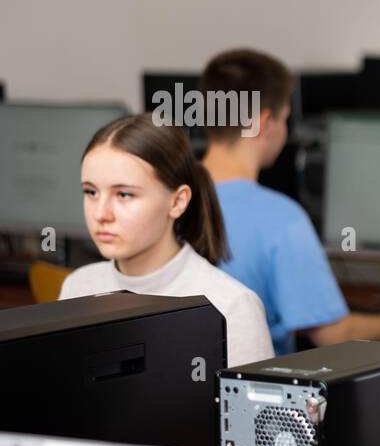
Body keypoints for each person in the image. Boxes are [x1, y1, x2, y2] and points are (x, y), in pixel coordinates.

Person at [199, 48, 380, 355]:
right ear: (265, 123)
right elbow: (335, 336)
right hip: (256, 396)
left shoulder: (162, 196)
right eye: (284, 119)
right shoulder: (280, 219)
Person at [60, 113, 274, 367]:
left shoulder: (230, 307)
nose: (101, 214)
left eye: (124, 194)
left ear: (177, 202)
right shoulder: (78, 286)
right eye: (91, 192)